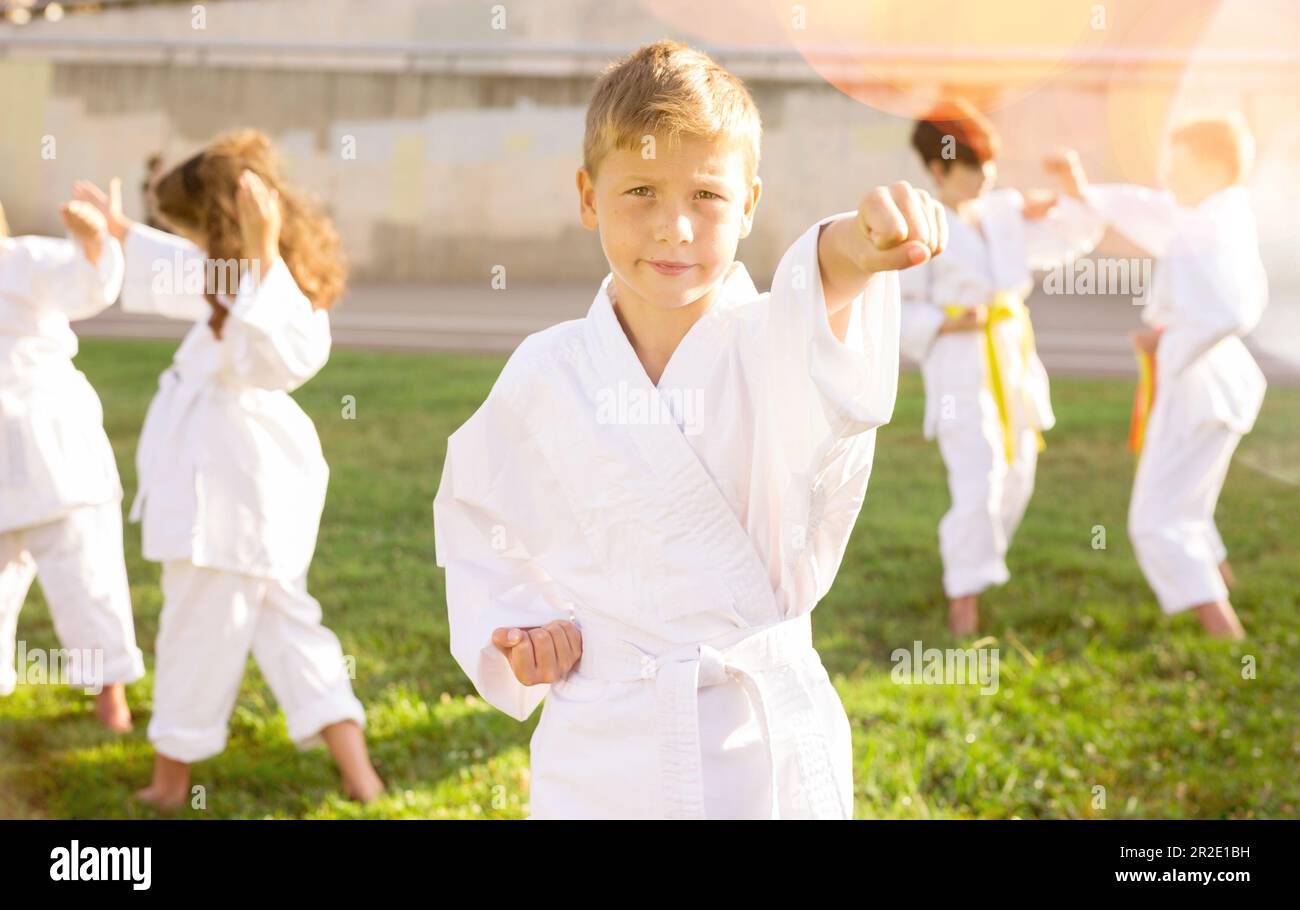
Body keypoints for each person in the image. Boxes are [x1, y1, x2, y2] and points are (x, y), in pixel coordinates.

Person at [434, 41, 945, 818]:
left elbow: (823, 283)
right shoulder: (549, 371)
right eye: (640, 189)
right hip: (607, 743)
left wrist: (859, 243)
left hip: (757, 738)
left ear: (749, 204)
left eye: (707, 195)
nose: (674, 228)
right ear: (586, 195)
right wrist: (522, 624)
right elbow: (479, 515)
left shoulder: (771, 341)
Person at [76, 130, 383, 808]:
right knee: (293, 631)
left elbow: (291, 357)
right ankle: (360, 777)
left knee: (194, 636)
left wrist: (265, 249)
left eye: (189, 231)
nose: (185, 246)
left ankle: (169, 784)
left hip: (225, 506)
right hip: (246, 505)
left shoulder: (277, 288)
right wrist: (123, 231)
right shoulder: (236, 277)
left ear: (220, 230)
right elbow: (185, 269)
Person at [1047, 114, 1266, 639]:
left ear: (1214, 167)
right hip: (1217, 386)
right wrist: (1084, 193)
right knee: (1189, 503)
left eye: (1180, 165)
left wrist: (1169, 338)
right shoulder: (1210, 215)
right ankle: (1225, 603)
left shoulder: (1214, 225)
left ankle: (1224, 633)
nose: (1169, 176)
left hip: (1200, 387)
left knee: (1156, 519)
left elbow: (1234, 309)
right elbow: (1152, 210)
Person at [900, 100, 1103, 634]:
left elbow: (1073, 238)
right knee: (979, 472)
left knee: (1019, 473)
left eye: (989, 164)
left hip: (1012, 354)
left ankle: (975, 564)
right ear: (939, 168)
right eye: (973, 167)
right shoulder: (920, 225)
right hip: (959, 363)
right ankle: (963, 596)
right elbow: (895, 308)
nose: (986, 177)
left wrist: (1070, 185)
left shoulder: (1004, 213)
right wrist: (945, 322)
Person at [0, 195, 143, 731]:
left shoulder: (23, 260)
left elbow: (88, 284)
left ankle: (110, 690)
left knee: (85, 573)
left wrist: (91, 245)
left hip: (49, 446)